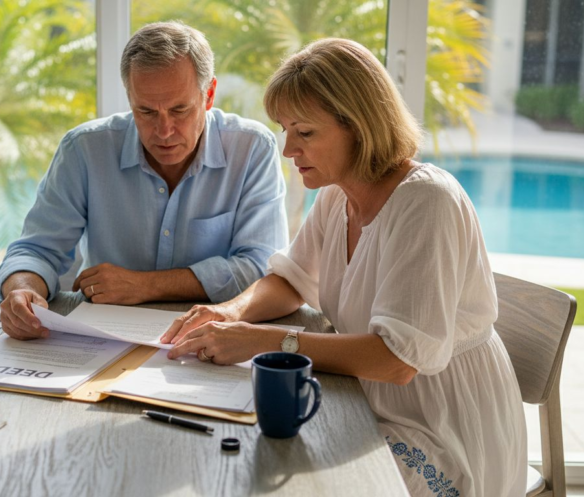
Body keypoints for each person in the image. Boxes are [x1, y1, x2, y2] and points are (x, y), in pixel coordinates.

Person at [161, 38, 526, 496]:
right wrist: (231, 313)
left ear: (360, 126)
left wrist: (264, 342)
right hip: (366, 403)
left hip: (440, 431)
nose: (288, 148)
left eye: (305, 132)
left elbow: (398, 361)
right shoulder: (337, 195)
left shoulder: (426, 202)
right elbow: (290, 280)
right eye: (284, 129)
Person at [0, 21, 288, 340]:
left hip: (213, 339)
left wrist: (145, 285)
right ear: (130, 97)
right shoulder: (84, 149)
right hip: (104, 339)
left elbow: (261, 269)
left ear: (209, 95)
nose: (163, 131)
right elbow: (37, 250)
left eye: (179, 110)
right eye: (146, 112)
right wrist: (22, 291)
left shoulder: (252, 148)